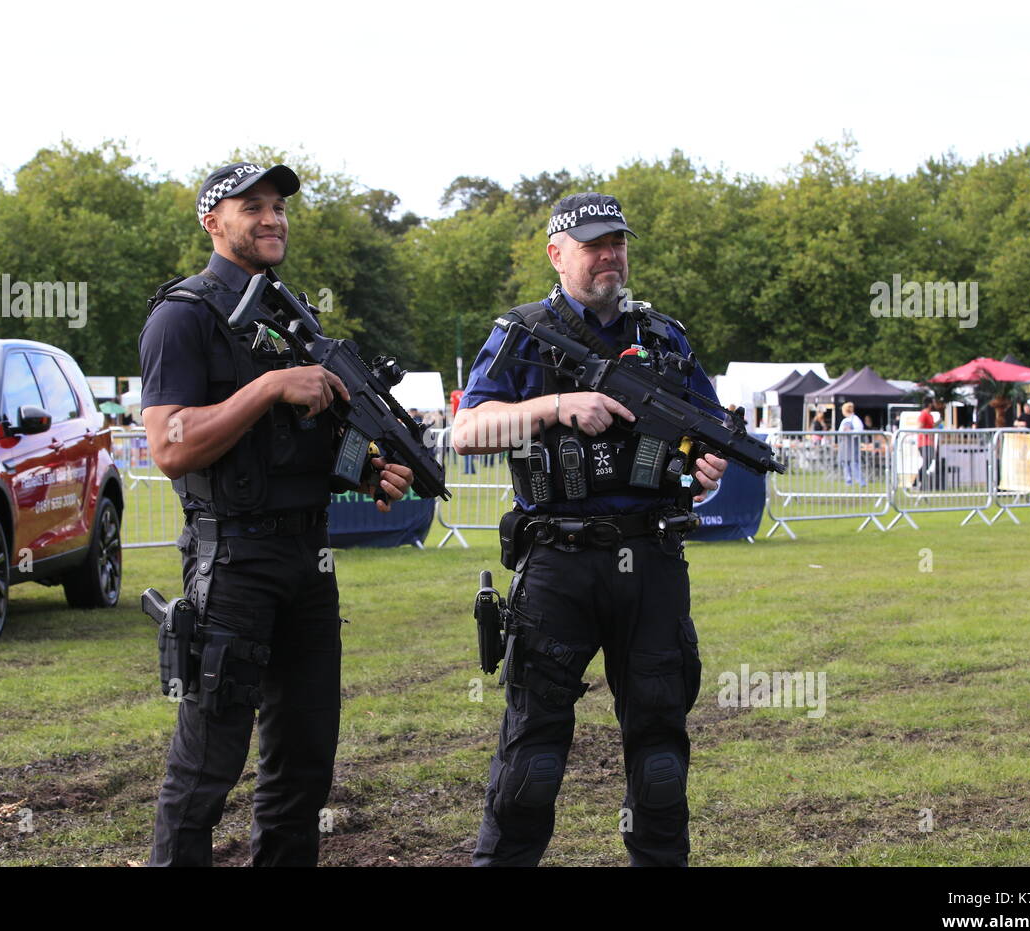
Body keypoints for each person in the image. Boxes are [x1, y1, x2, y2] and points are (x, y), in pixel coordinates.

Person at [138, 161, 414, 866]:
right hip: (232, 563)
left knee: (304, 764)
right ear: (212, 222)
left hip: (307, 563)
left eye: (279, 207)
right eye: (251, 206)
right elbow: (170, 449)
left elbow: (300, 449)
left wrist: (369, 472)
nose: (271, 218)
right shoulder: (183, 315)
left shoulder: (292, 316)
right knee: (206, 766)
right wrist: (266, 389)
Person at [453, 192, 727, 867]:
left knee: (661, 743)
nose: (610, 254)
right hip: (558, 562)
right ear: (557, 254)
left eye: (618, 242)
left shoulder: (664, 334)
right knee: (534, 748)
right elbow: (467, 432)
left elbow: (708, 429)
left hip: (652, 555)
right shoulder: (520, 332)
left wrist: (709, 461)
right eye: (594, 244)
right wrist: (553, 405)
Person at [913, 397, 942, 491]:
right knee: (927, 462)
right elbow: (919, 427)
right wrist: (926, 433)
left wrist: (940, 420)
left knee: (928, 462)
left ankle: (919, 483)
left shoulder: (930, 415)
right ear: (929, 404)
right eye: (932, 403)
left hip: (930, 442)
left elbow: (931, 426)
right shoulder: (924, 414)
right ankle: (916, 483)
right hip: (924, 442)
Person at [837, 401, 866, 486]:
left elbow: (859, 430)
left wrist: (850, 431)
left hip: (852, 444)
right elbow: (840, 431)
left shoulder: (855, 419)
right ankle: (848, 481)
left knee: (854, 463)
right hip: (844, 445)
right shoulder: (845, 420)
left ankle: (861, 482)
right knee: (845, 463)